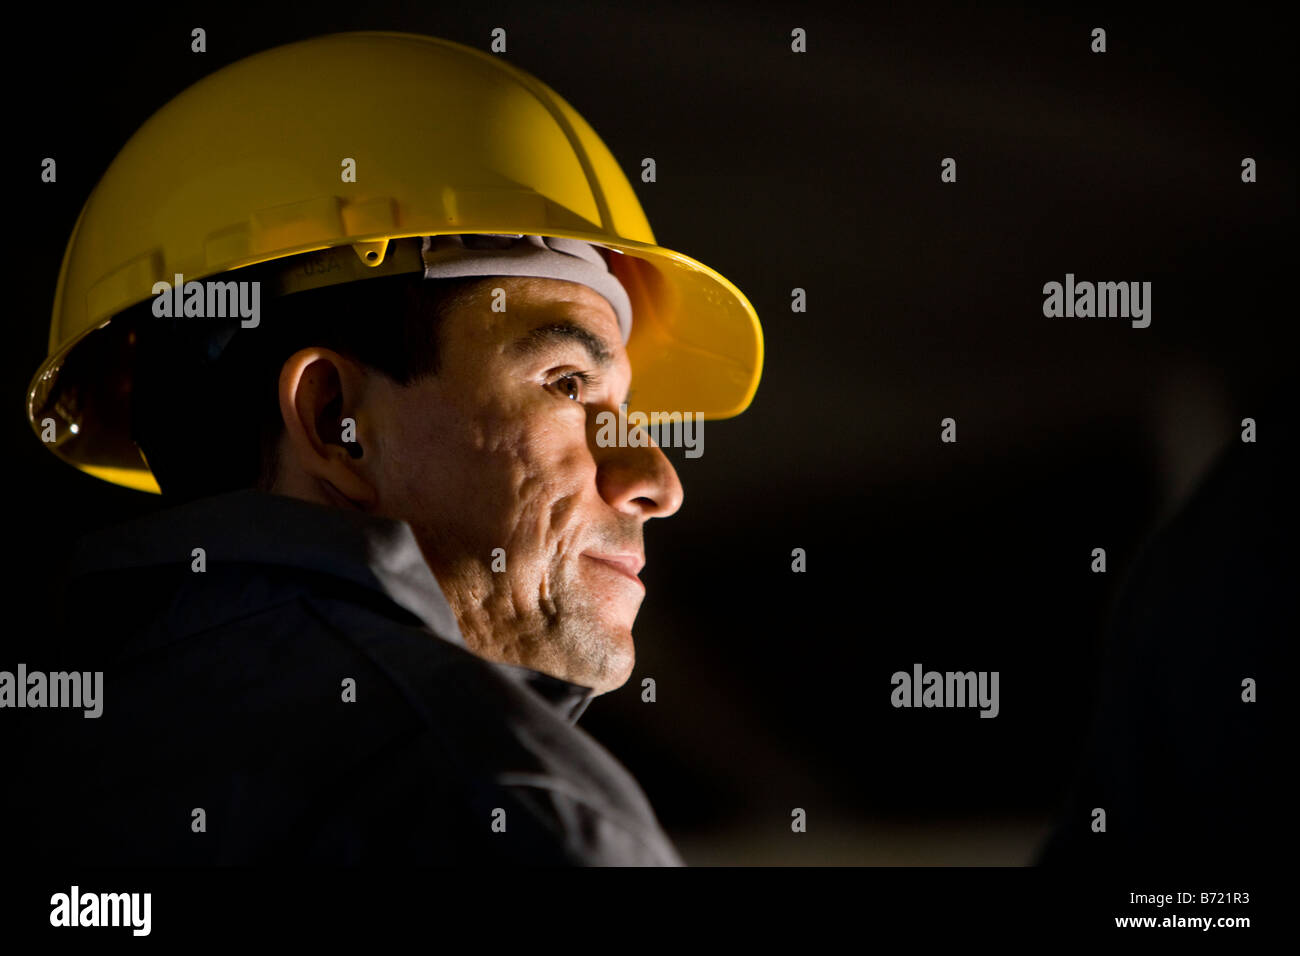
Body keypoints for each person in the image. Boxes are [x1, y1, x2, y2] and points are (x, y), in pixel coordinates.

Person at [17, 34, 763, 866]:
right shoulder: (507, 807)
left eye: (622, 407)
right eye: (567, 386)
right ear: (335, 420)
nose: (657, 480)